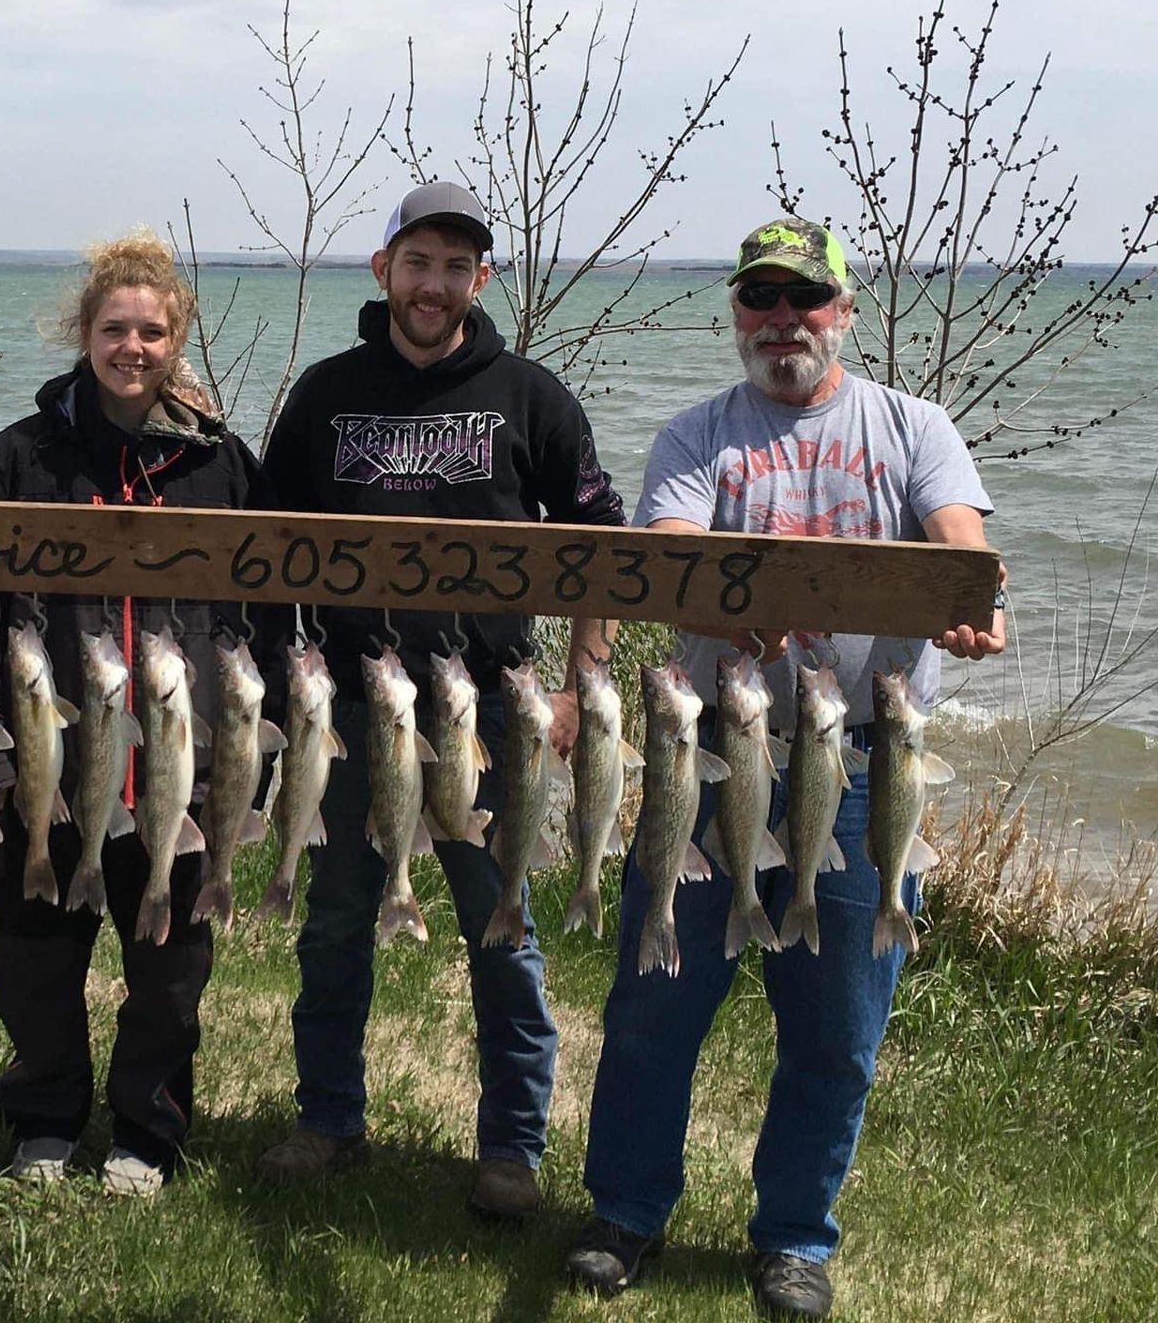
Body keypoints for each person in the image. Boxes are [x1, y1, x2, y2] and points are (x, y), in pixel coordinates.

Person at [567, 217, 1006, 1319]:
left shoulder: (913, 426)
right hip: (707, 759)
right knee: (655, 1006)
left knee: (839, 1029)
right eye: (759, 300)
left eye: (804, 300)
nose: (781, 321)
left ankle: (796, 1238)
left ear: (845, 311)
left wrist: (966, 598)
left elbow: (962, 541)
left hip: (866, 770)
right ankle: (625, 1214)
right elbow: (669, 557)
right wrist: (733, 598)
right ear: (738, 317)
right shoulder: (695, 436)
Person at [256, 181, 626, 1219]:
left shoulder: (531, 395)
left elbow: (604, 545)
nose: (435, 284)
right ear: (384, 270)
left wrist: (578, 685)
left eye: (457, 266)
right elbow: (266, 544)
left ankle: (511, 1148)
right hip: (351, 712)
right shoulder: (327, 394)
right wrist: (288, 668)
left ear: (481, 278)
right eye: (418, 262)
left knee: (501, 933)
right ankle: (327, 1118)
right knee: (333, 927)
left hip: (490, 713)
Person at [0, 230, 280, 1197]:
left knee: (170, 978)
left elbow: (261, 609)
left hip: (178, 769)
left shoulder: (221, 466)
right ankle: (45, 1118)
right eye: (115, 329)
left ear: (179, 341)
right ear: (83, 335)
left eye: (154, 331)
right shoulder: (18, 460)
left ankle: (148, 1130)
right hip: (51, 766)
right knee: (34, 967)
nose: (134, 347)